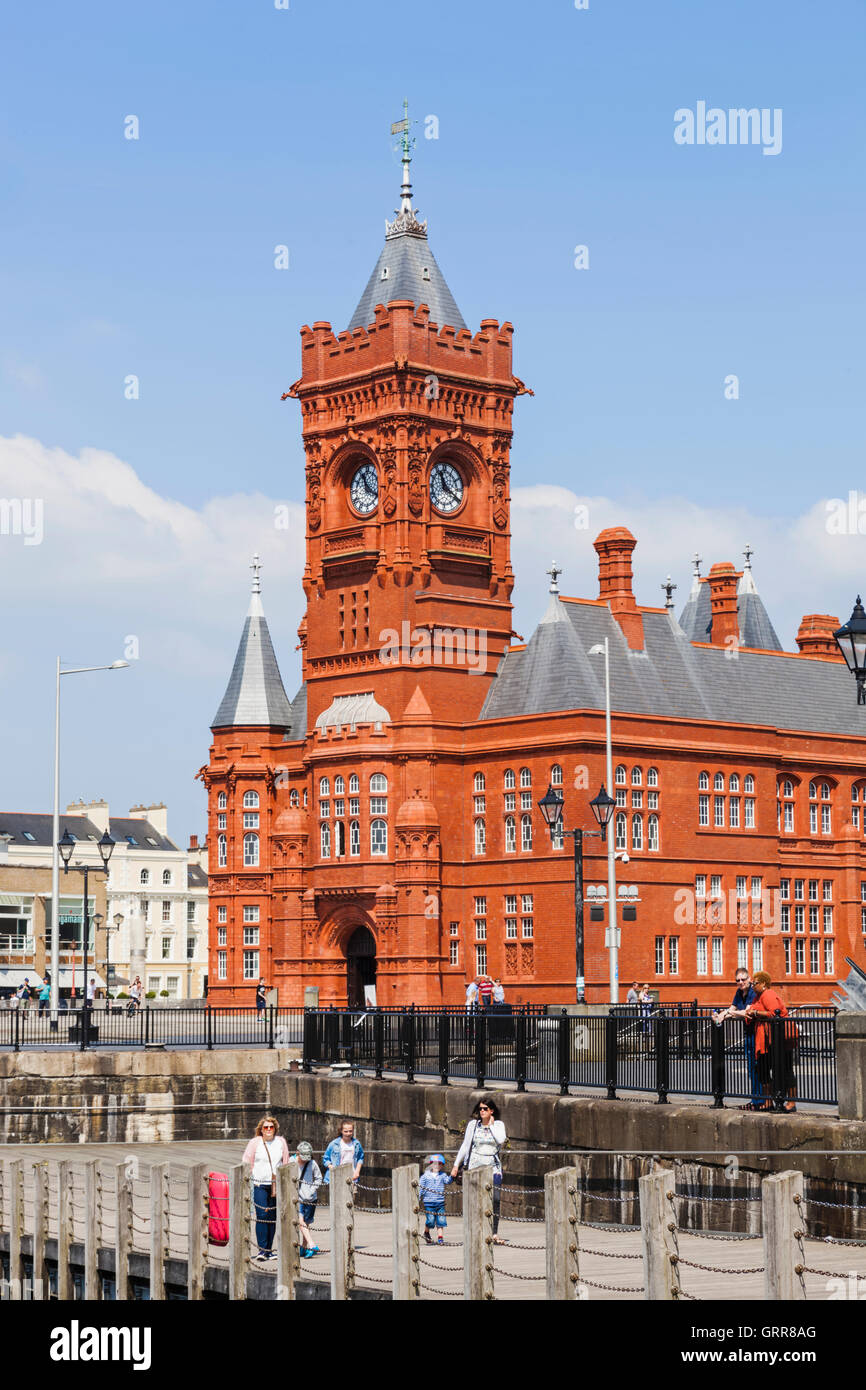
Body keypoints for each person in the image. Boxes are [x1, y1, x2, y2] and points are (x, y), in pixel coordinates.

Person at [451, 1097, 508, 1244]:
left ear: (492, 1111)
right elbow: (465, 1145)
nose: (482, 1111)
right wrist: (456, 1165)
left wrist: (491, 1125)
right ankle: (475, 1231)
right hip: (475, 1167)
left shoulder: (499, 1125)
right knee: (475, 1201)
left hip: (493, 1167)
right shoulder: (473, 1125)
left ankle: (494, 1233)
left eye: (485, 1109)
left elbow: (501, 1140)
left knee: (494, 1199)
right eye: (480, 1109)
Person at [745, 972, 798, 1112]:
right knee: (763, 1069)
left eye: (754, 983)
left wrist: (755, 1013)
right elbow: (753, 1012)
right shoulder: (758, 996)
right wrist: (750, 1013)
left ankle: (791, 1103)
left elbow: (775, 1013)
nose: (752, 986)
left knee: (785, 1070)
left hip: (778, 1039)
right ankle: (768, 1102)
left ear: (763, 984)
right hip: (766, 1040)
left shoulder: (768, 994)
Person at [242, 1115, 290, 1260]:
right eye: (266, 1127)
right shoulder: (255, 1142)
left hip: (276, 1185)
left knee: (272, 1217)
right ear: (261, 1130)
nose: (269, 1130)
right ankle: (262, 1250)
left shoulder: (281, 1142)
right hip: (259, 1184)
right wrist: (248, 1179)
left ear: (275, 1129)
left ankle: (269, 1251)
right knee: (262, 1215)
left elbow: (286, 1162)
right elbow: (246, 1161)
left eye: (271, 1127)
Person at [713, 968, 761, 1109]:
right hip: (748, 1033)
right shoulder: (739, 993)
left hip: (758, 1033)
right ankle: (756, 1100)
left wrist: (727, 1013)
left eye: (743, 979)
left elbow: (745, 1012)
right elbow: (733, 1008)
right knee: (751, 1068)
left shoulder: (752, 992)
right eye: (738, 980)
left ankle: (760, 1101)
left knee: (758, 1067)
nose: (740, 982)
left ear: (749, 979)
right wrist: (720, 1016)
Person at [292, 1139, 323, 1258]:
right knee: (300, 1222)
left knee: (306, 1223)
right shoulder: (292, 1161)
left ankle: (304, 1247)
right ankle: (312, 1244)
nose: (305, 1159)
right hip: (298, 1197)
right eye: (303, 1156)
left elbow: (319, 1178)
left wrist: (312, 1190)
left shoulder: (312, 1163)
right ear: (297, 1153)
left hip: (310, 1198)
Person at [419, 1153, 453, 1245]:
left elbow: (448, 1181)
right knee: (430, 1221)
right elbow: (421, 1188)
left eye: (439, 1164)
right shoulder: (425, 1176)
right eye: (434, 1163)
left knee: (441, 1221)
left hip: (440, 1203)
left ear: (442, 1166)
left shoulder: (443, 1175)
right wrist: (418, 1198)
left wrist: (452, 1176)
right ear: (431, 1164)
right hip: (428, 1202)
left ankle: (440, 1238)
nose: (437, 1166)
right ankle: (426, 1232)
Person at [322, 1120, 364, 1188]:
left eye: (350, 1131)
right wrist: (333, 1168)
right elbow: (325, 1159)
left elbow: (360, 1158)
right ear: (341, 1131)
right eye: (345, 1131)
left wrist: (357, 1171)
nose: (348, 1133)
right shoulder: (334, 1144)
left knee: (350, 1198)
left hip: (352, 1178)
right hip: (337, 1177)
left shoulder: (356, 1144)